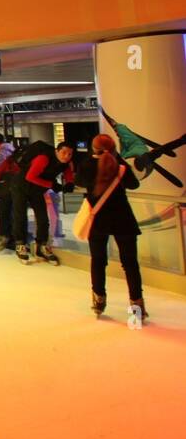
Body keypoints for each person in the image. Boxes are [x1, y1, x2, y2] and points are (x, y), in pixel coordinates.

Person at [80, 133, 146, 320]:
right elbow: (134, 184)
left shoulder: (86, 166)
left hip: (98, 219)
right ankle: (137, 304)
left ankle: (99, 299)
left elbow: (79, 182)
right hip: (123, 218)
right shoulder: (121, 167)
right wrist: (117, 158)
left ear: (93, 149)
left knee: (98, 260)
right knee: (130, 263)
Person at [13, 140, 75, 264]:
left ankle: (42, 246)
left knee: (43, 218)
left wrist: (69, 183)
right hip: (21, 187)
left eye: (69, 154)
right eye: (64, 152)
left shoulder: (66, 163)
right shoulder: (43, 158)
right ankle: (20, 245)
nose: (66, 156)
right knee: (20, 216)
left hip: (37, 191)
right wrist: (51, 184)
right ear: (57, 151)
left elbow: (68, 173)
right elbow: (30, 176)